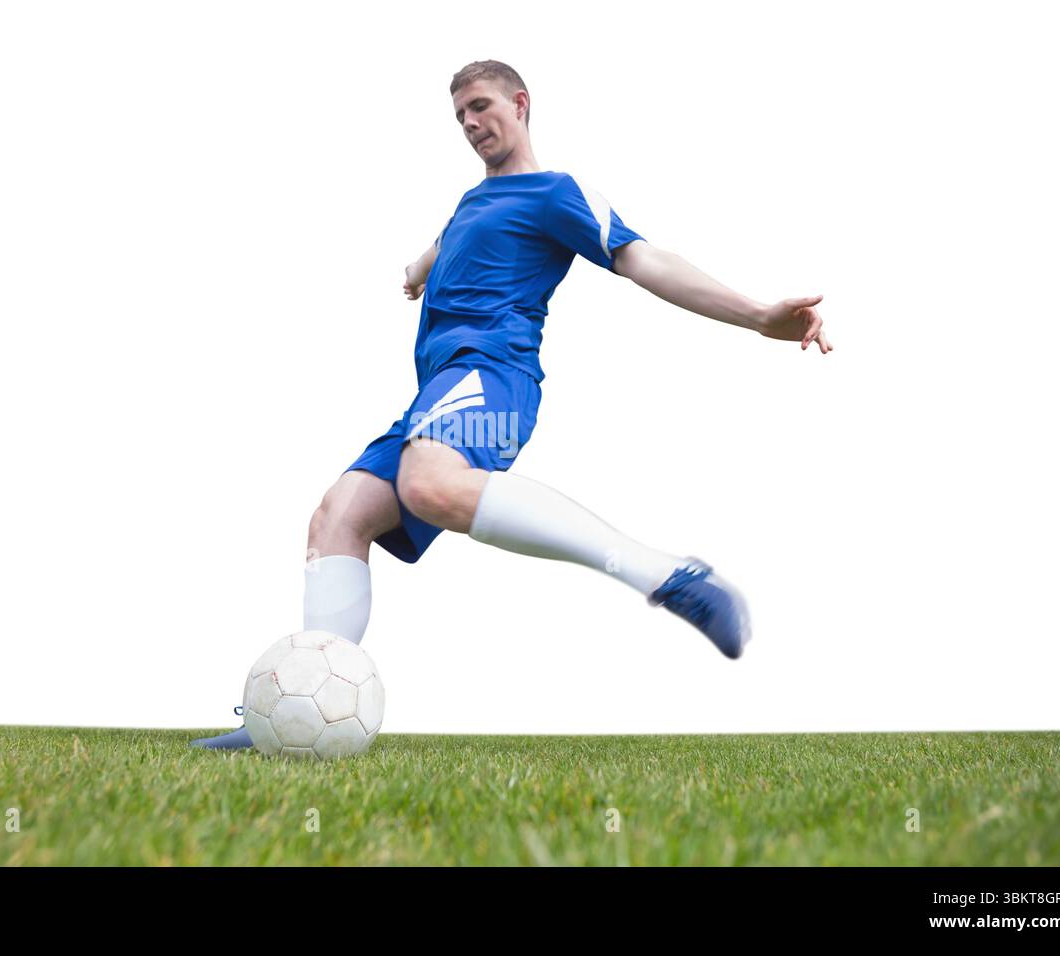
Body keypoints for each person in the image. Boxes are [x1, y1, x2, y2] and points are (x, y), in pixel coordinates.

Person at [193, 60, 833, 749]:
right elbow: (448, 241)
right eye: (459, 116)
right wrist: (418, 267)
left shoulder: (556, 191)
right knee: (337, 515)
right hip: (435, 391)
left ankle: (666, 575)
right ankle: (293, 717)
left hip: (492, 373)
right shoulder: (471, 202)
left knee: (428, 484)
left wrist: (758, 315)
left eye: (480, 106)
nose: (470, 124)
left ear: (520, 103)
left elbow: (644, 259)